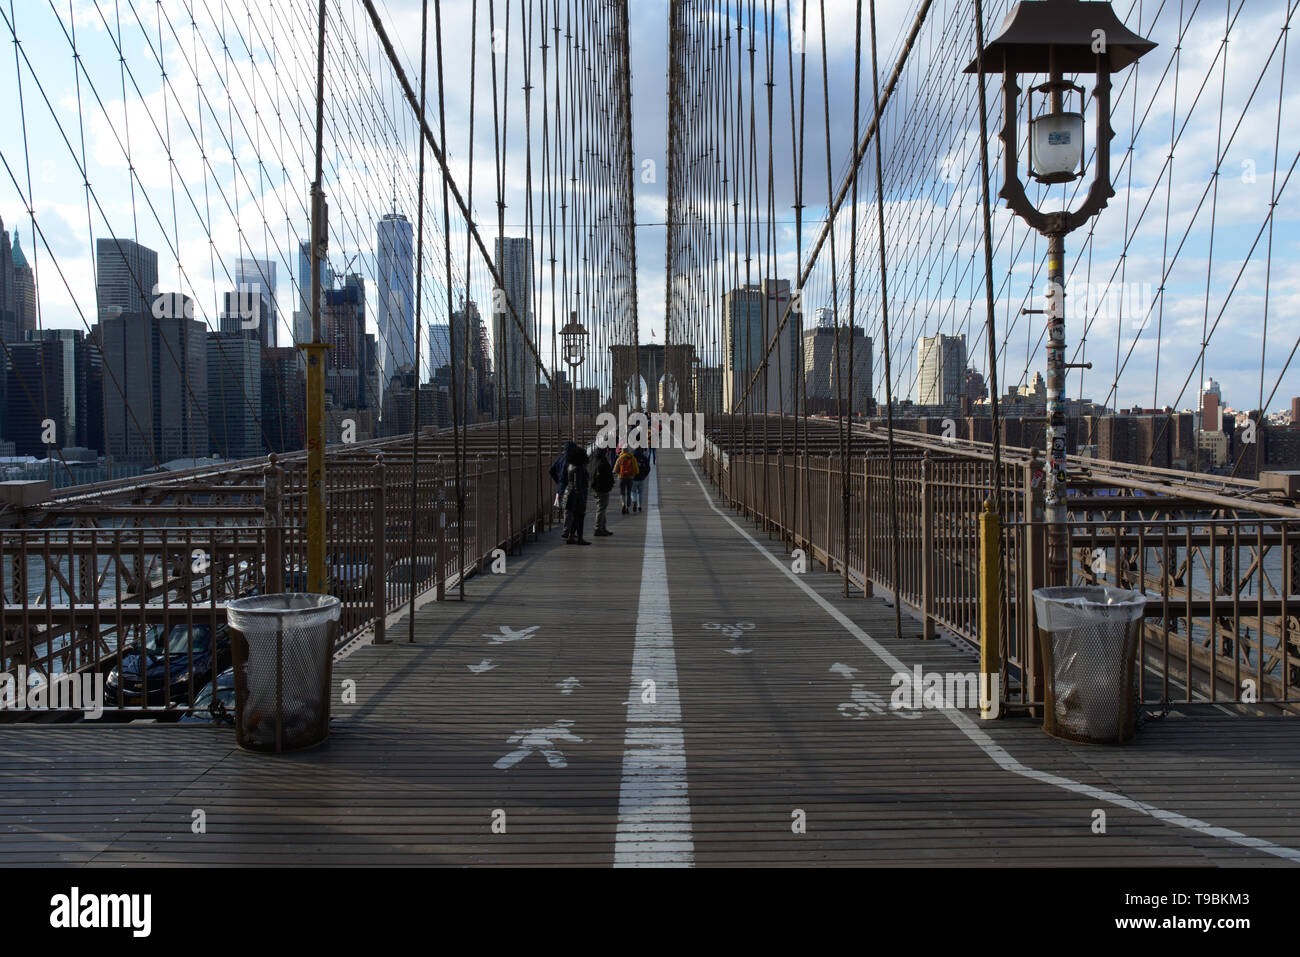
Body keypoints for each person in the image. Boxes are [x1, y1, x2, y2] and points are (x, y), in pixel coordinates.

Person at [562, 446, 591, 545]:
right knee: (580, 517)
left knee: (574, 517)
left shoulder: (570, 465)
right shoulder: (579, 467)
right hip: (576, 495)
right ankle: (580, 538)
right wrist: (581, 498)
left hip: (569, 494)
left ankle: (571, 536)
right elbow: (577, 484)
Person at [590, 443, 615, 536]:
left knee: (602, 508)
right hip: (602, 489)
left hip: (599, 488)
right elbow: (603, 476)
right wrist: (608, 485)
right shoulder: (602, 462)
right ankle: (598, 528)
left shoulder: (595, 461)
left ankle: (602, 527)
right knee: (601, 509)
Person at [614, 444, 639, 514]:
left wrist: (619, 473)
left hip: (621, 478)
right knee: (629, 492)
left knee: (622, 492)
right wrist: (633, 474)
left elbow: (615, 469)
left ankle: (623, 505)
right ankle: (628, 507)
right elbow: (636, 469)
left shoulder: (620, 458)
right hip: (630, 478)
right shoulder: (632, 457)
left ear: (622, 450)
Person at [630, 446, 651, 513]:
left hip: (633, 478)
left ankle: (634, 500)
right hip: (641, 478)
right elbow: (648, 468)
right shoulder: (644, 457)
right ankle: (640, 506)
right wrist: (644, 476)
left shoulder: (631, 457)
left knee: (632, 491)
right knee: (640, 493)